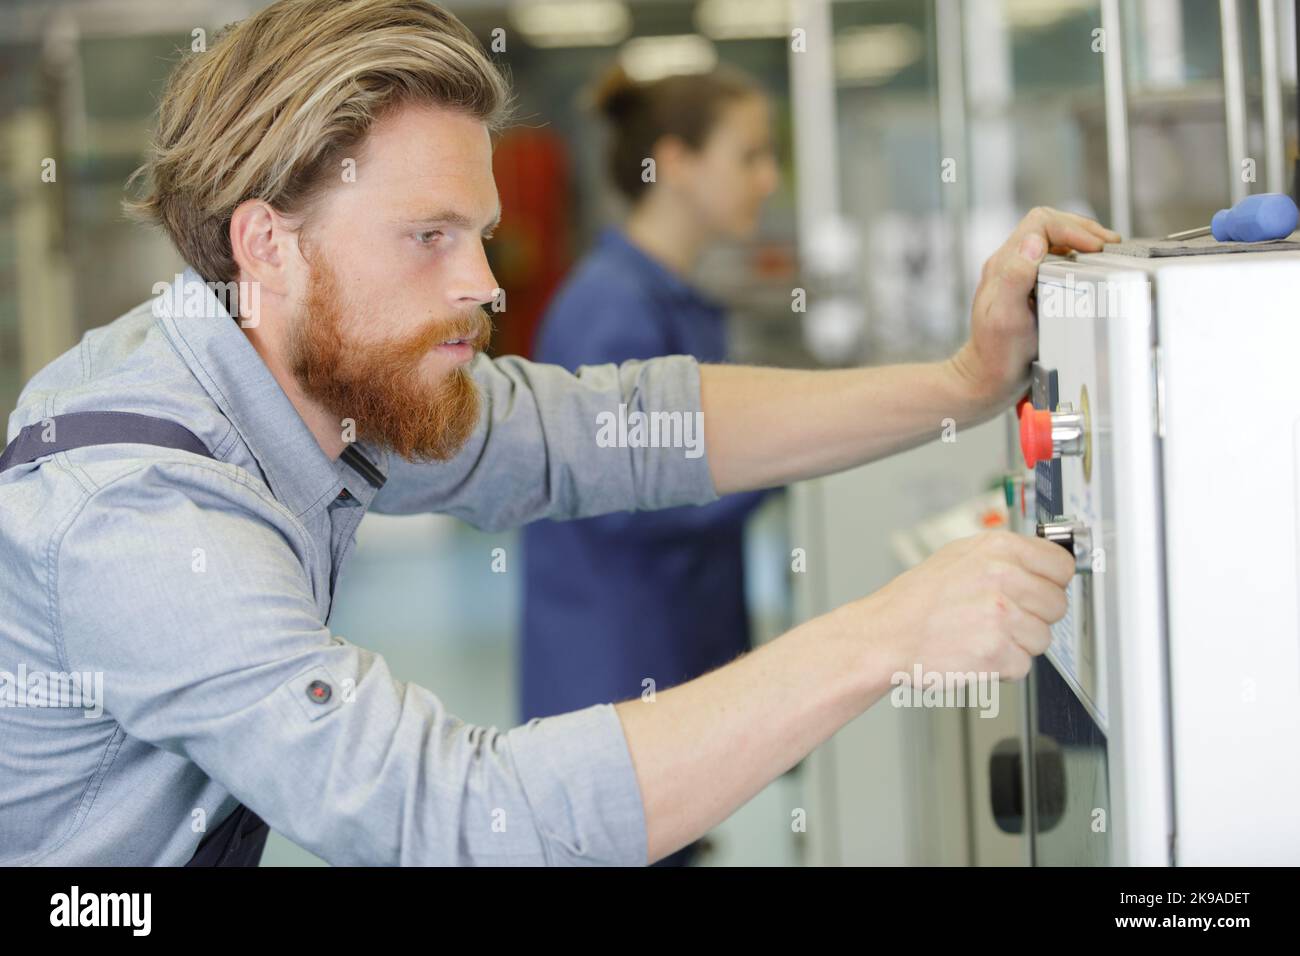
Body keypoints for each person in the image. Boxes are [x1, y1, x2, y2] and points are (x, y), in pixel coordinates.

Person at [0, 0, 1114, 866]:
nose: (483, 284)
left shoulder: (289, 368)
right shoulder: (141, 514)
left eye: (477, 233)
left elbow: (609, 430)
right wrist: (884, 635)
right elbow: (450, 821)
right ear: (267, 246)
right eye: (427, 235)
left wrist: (963, 383)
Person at [519, 62, 777, 869]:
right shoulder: (611, 311)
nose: (770, 180)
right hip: (618, 672)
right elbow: (631, 502)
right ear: (674, 163)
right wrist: (781, 452)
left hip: (665, 657)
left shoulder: (669, 299)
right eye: (750, 156)